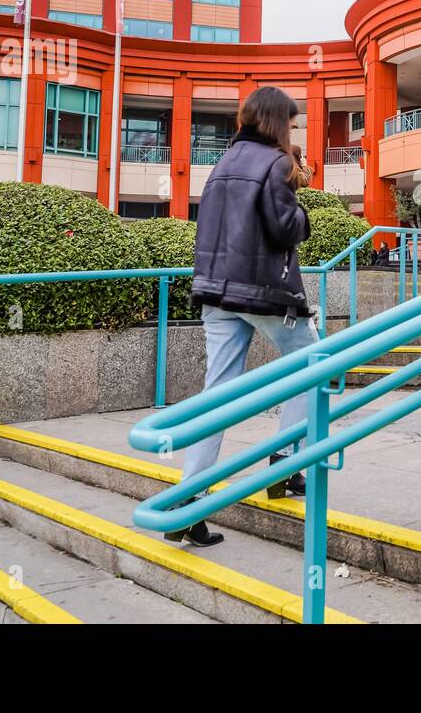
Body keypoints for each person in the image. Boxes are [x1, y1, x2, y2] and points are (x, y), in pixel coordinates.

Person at [168, 86, 316, 547]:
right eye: (290, 122)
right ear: (277, 122)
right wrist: (302, 208)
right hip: (263, 293)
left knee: (217, 395)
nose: (292, 128)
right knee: (312, 364)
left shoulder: (222, 164)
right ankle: (286, 462)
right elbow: (285, 227)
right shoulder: (276, 163)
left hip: (216, 291)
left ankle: (188, 501)